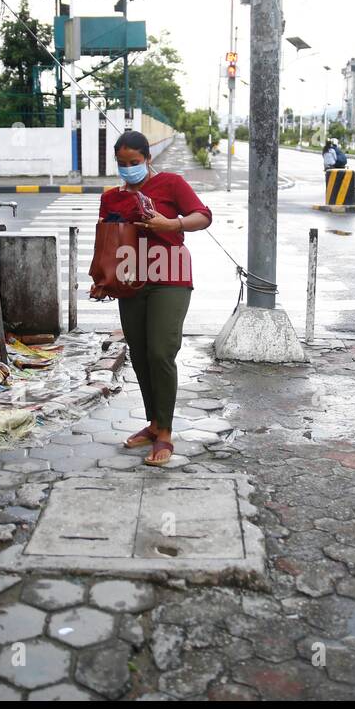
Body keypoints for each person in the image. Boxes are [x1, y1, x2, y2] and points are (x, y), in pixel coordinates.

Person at [96, 130, 212, 466]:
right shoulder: (111, 197)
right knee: (141, 353)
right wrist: (103, 279)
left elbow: (203, 217)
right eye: (122, 164)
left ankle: (165, 433)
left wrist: (171, 223)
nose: (128, 169)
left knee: (161, 351)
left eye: (134, 162)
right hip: (130, 279)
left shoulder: (171, 184)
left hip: (170, 277)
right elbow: (107, 240)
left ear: (148, 158)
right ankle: (153, 423)